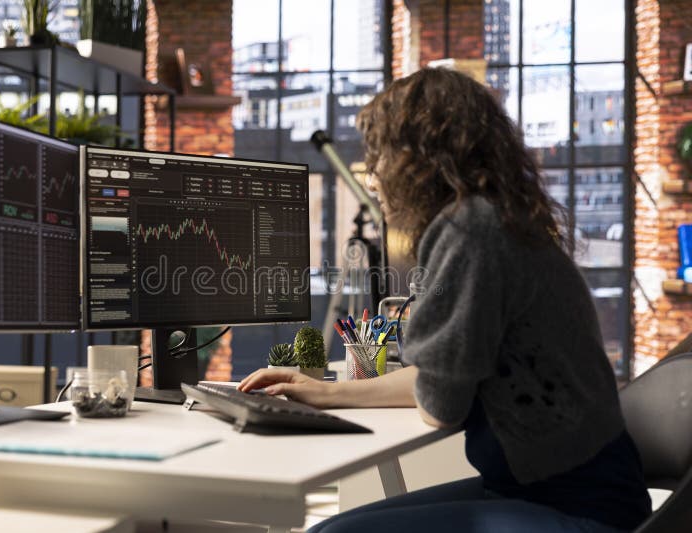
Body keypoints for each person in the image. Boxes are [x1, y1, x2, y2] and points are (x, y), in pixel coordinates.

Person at [238, 67, 651, 533]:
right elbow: (440, 380)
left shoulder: (469, 230)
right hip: (554, 487)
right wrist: (327, 393)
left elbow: (439, 405)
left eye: (380, 156)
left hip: (580, 507)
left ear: (419, 158)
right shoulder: (500, 218)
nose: (371, 176)